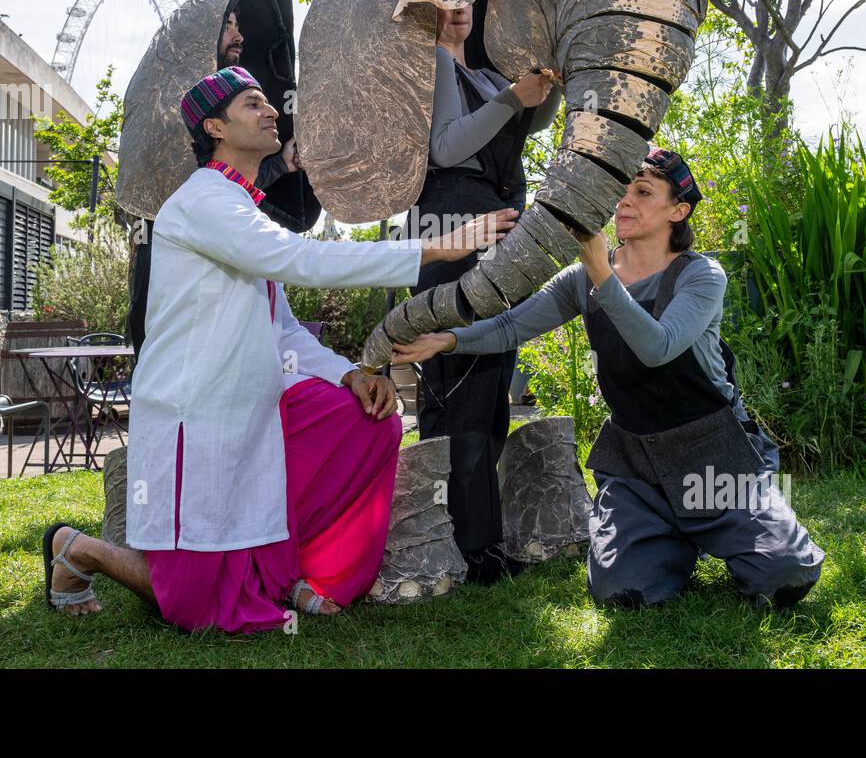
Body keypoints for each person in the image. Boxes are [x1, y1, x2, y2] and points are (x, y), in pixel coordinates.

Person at [44, 66, 517, 632]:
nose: (271, 111)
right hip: (194, 415)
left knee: (363, 420)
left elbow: (283, 327)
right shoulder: (204, 202)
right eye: (251, 104)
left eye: (268, 102)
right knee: (197, 607)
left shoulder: (243, 207)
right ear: (215, 126)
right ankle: (76, 549)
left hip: (253, 405)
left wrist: (350, 374)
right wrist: (433, 250)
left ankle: (289, 570)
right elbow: (305, 261)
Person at [393, 147, 824, 609]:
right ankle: (667, 536)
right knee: (621, 592)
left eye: (642, 192)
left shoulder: (701, 276)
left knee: (784, 573)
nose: (624, 201)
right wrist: (447, 340)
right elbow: (511, 326)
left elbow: (657, 348)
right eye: (621, 192)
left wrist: (602, 273)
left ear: (678, 211)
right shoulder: (580, 281)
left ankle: (717, 526)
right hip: (636, 463)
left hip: (712, 455)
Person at [407, 3, 562, 584]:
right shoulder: (436, 65)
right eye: (443, 3)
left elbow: (534, 117)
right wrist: (511, 99)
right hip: (452, 222)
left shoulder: (486, 74)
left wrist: (547, 80)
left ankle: (482, 540)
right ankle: (465, 547)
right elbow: (445, 148)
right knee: (461, 380)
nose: (457, 11)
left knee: (493, 376)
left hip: (495, 222)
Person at [126, 9, 298, 363]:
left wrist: (281, 164)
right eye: (227, 27)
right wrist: (422, 251)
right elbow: (204, 184)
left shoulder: (243, 103)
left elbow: (233, 180)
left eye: (239, 26)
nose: (238, 36)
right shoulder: (178, 104)